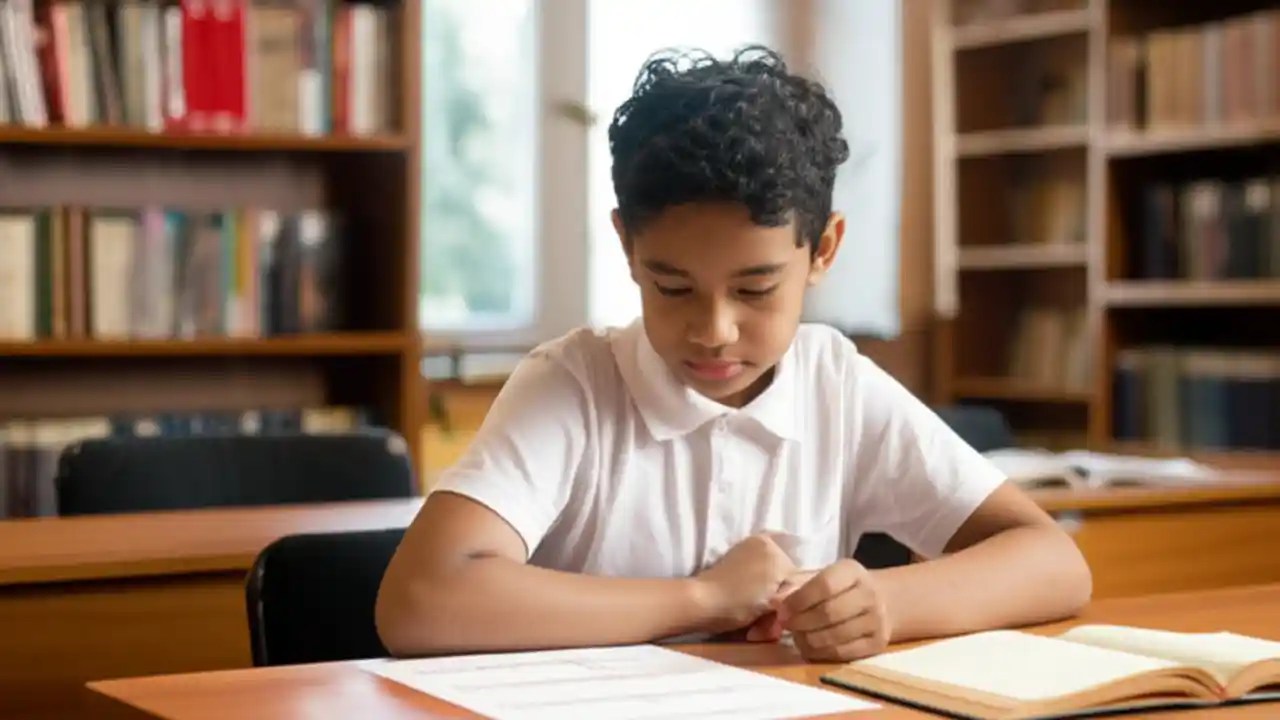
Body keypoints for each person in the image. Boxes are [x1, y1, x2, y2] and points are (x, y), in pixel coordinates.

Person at [376, 45, 1091, 662]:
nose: (713, 329)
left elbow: (1054, 562)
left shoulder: (834, 384)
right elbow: (420, 600)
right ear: (627, 247)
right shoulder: (574, 385)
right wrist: (700, 598)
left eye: (755, 289)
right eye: (673, 286)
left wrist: (888, 603)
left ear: (824, 250)